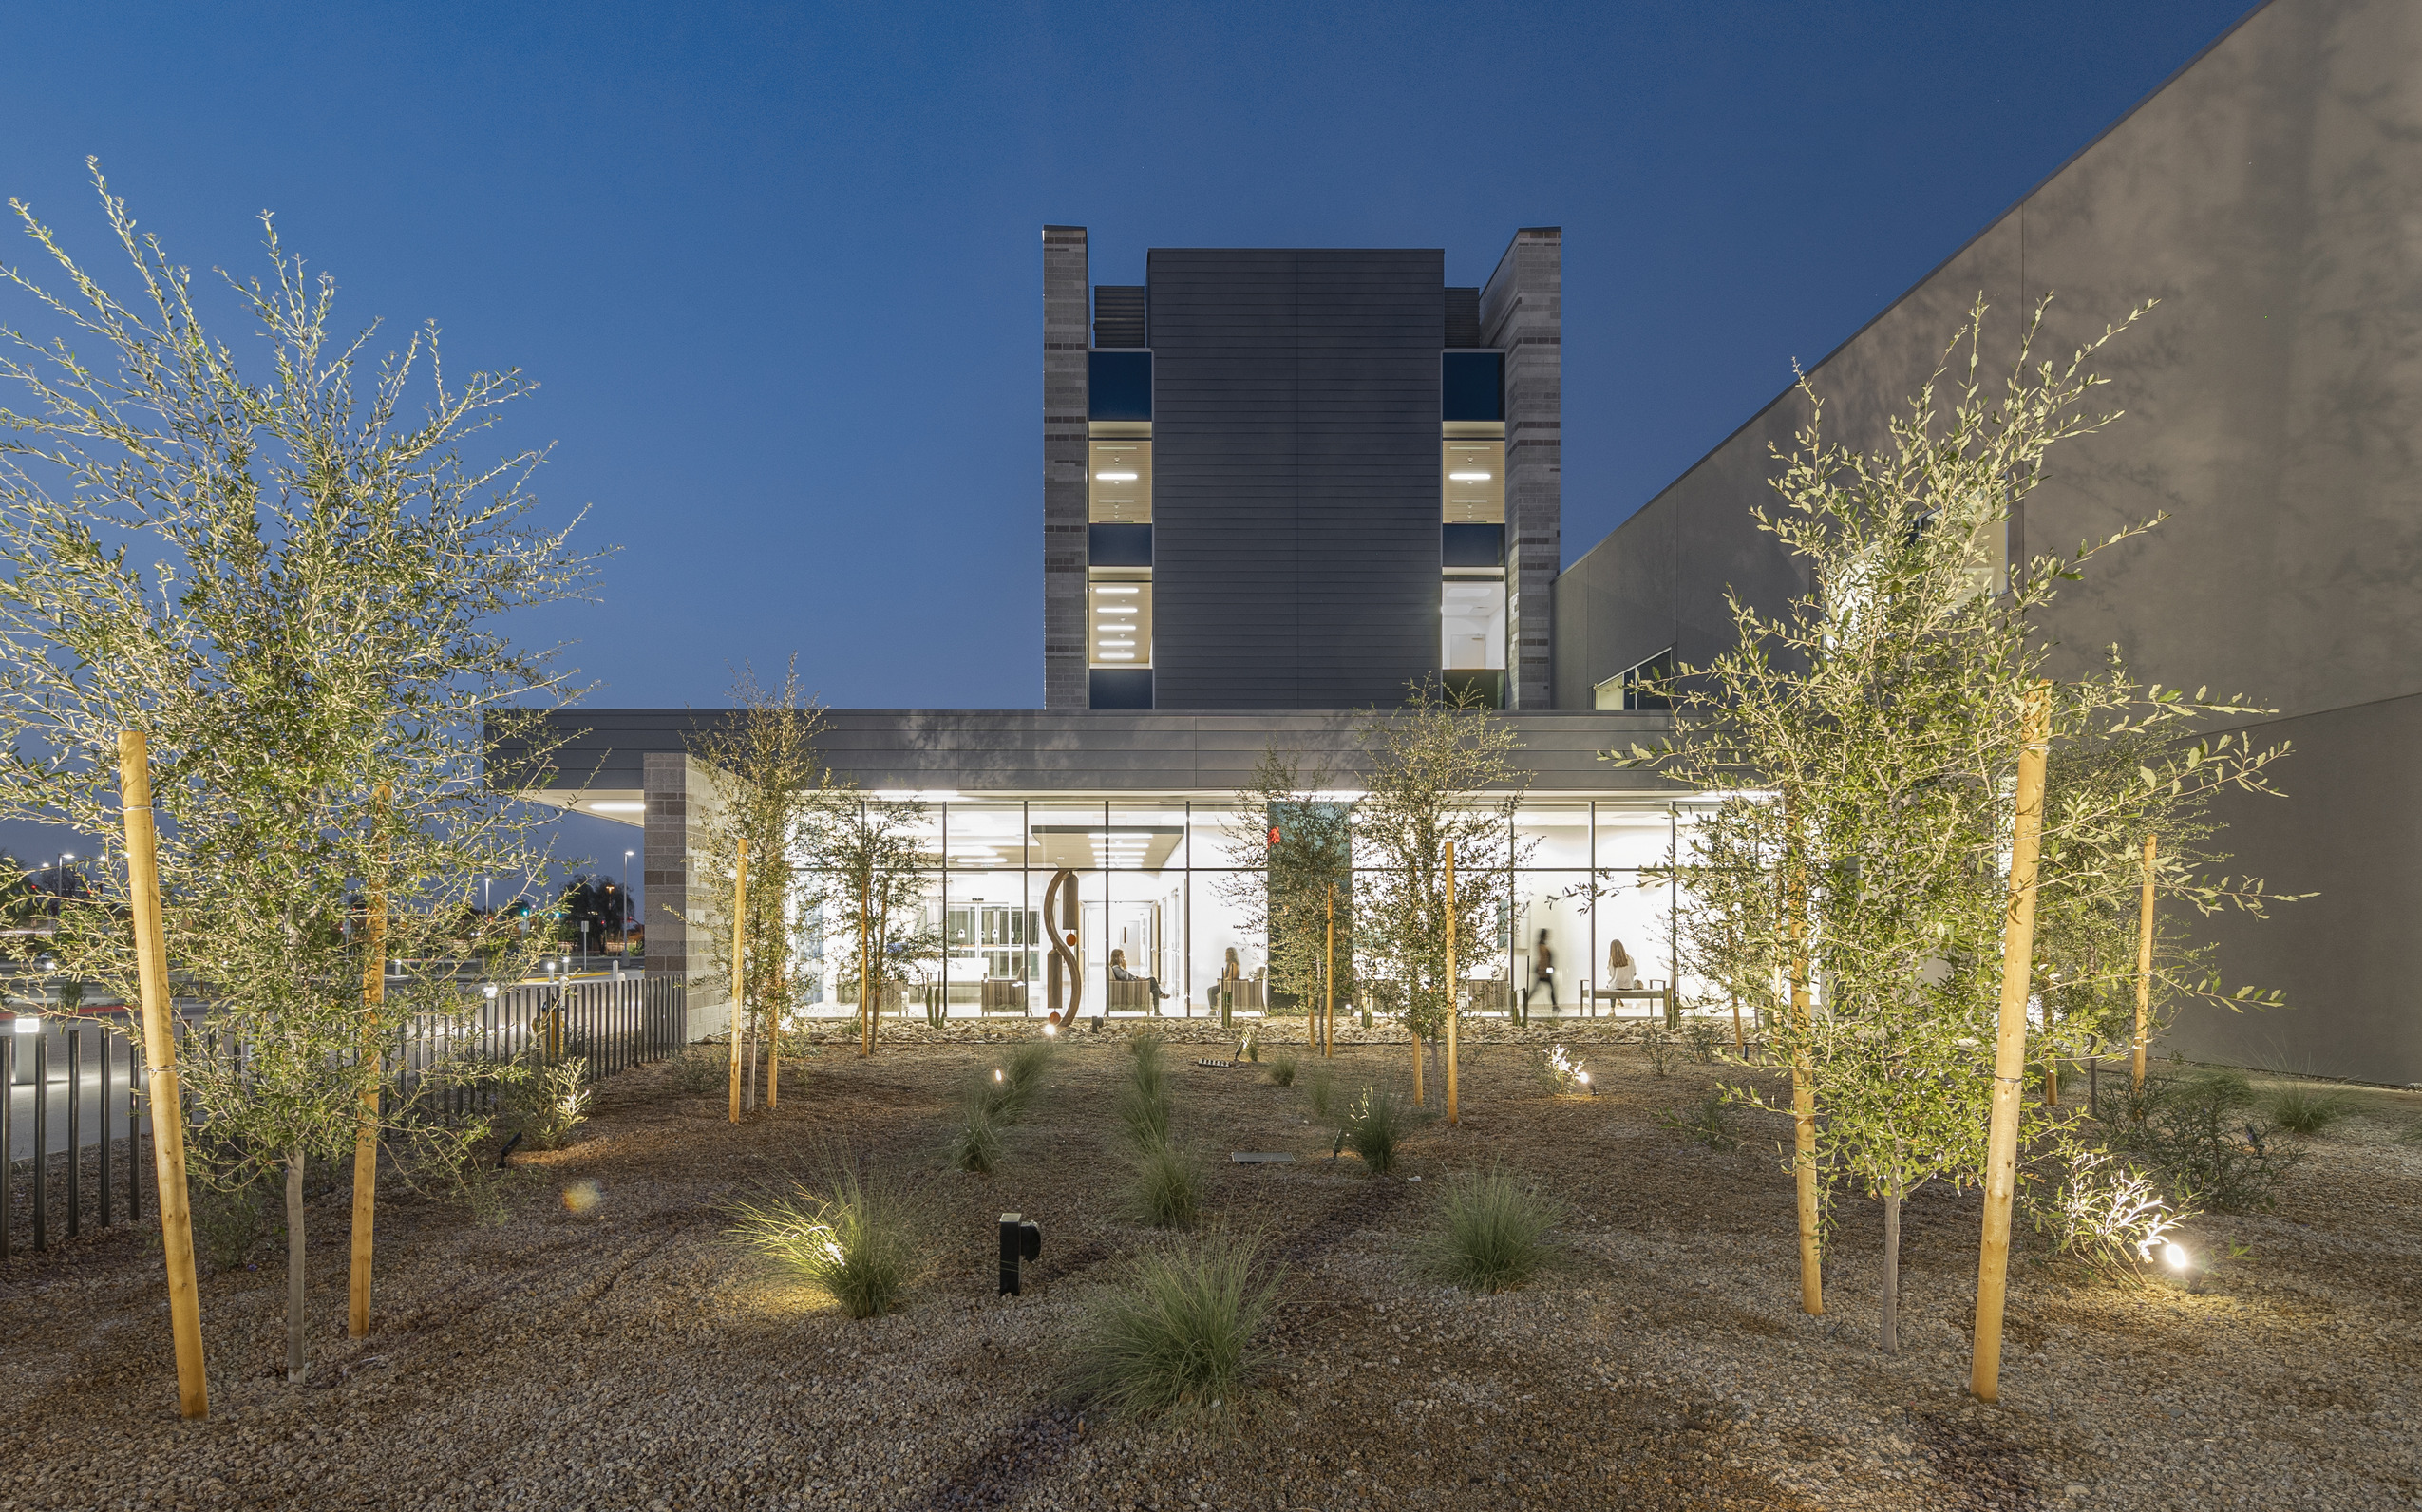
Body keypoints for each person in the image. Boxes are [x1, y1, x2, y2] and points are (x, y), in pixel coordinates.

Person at [1524, 928, 1559, 1011]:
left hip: (1544, 969)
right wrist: (1544, 970)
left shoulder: (1542, 945)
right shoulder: (1541, 946)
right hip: (1544, 970)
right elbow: (1543, 959)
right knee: (1550, 987)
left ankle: (1525, 1004)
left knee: (1539, 988)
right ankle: (1554, 1006)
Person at [1208, 945, 1242, 1011]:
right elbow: (1224, 976)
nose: (1226, 955)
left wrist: (1223, 981)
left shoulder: (1233, 965)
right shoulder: (1228, 965)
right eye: (1226, 953)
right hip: (1225, 984)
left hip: (1229, 986)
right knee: (1210, 990)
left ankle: (1213, 1009)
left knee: (1211, 990)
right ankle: (1213, 1008)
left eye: (1228, 953)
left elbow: (1230, 978)